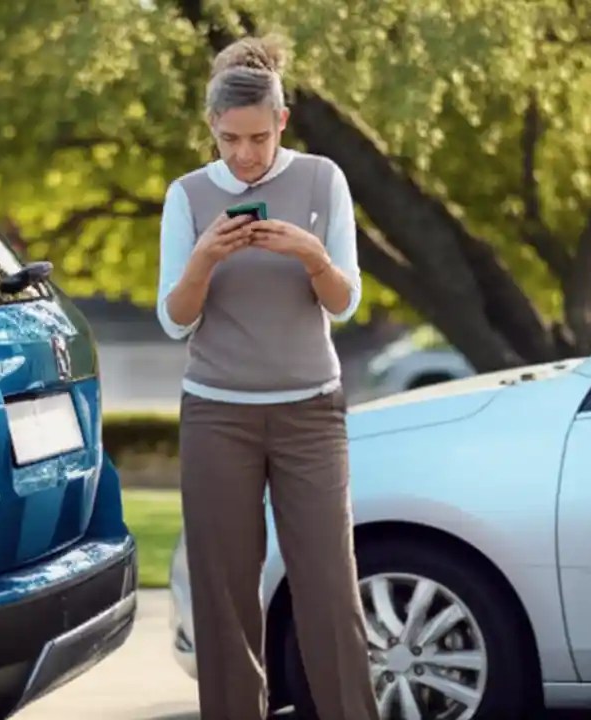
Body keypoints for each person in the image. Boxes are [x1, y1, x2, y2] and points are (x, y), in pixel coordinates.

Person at [156, 34, 379, 720]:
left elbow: (345, 302)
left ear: (281, 122)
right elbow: (175, 320)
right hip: (217, 415)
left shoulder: (322, 181)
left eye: (257, 137)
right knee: (225, 604)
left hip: (311, 413)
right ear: (212, 130)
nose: (244, 155)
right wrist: (203, 261)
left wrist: (312, 255)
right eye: (229, 139)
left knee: (329, 593)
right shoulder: (188, 195)